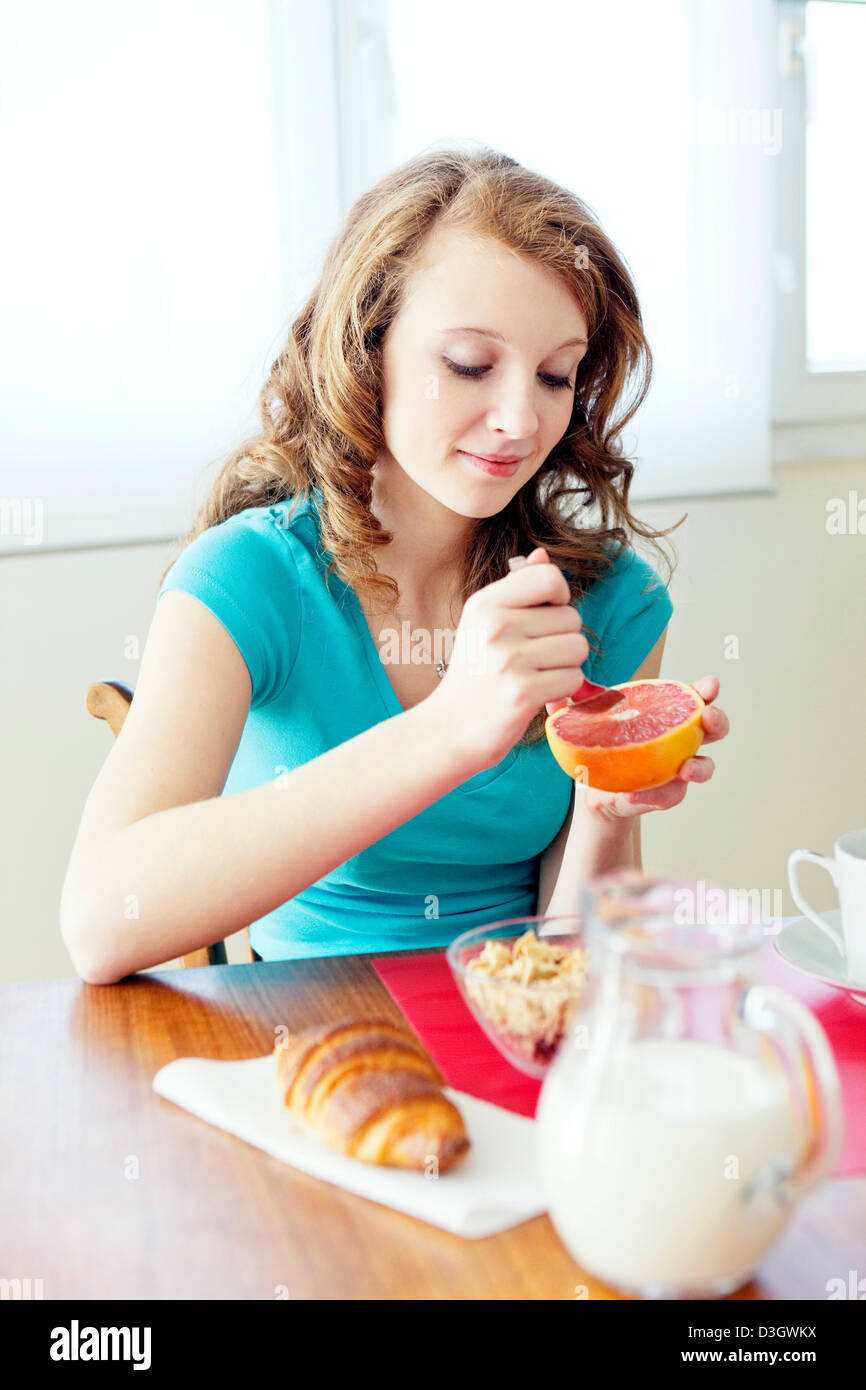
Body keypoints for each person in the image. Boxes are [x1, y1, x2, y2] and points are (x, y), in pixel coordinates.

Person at [60, 147, 729, 982]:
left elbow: (573, 967)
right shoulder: (248, 579)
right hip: (306, 1039)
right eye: (470, 365)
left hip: (511, 1030)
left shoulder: (610, 605)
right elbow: (98, 920)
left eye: (556, 375)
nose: (520, 418)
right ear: (366, 350)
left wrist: (603, 807)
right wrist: (449, 729)